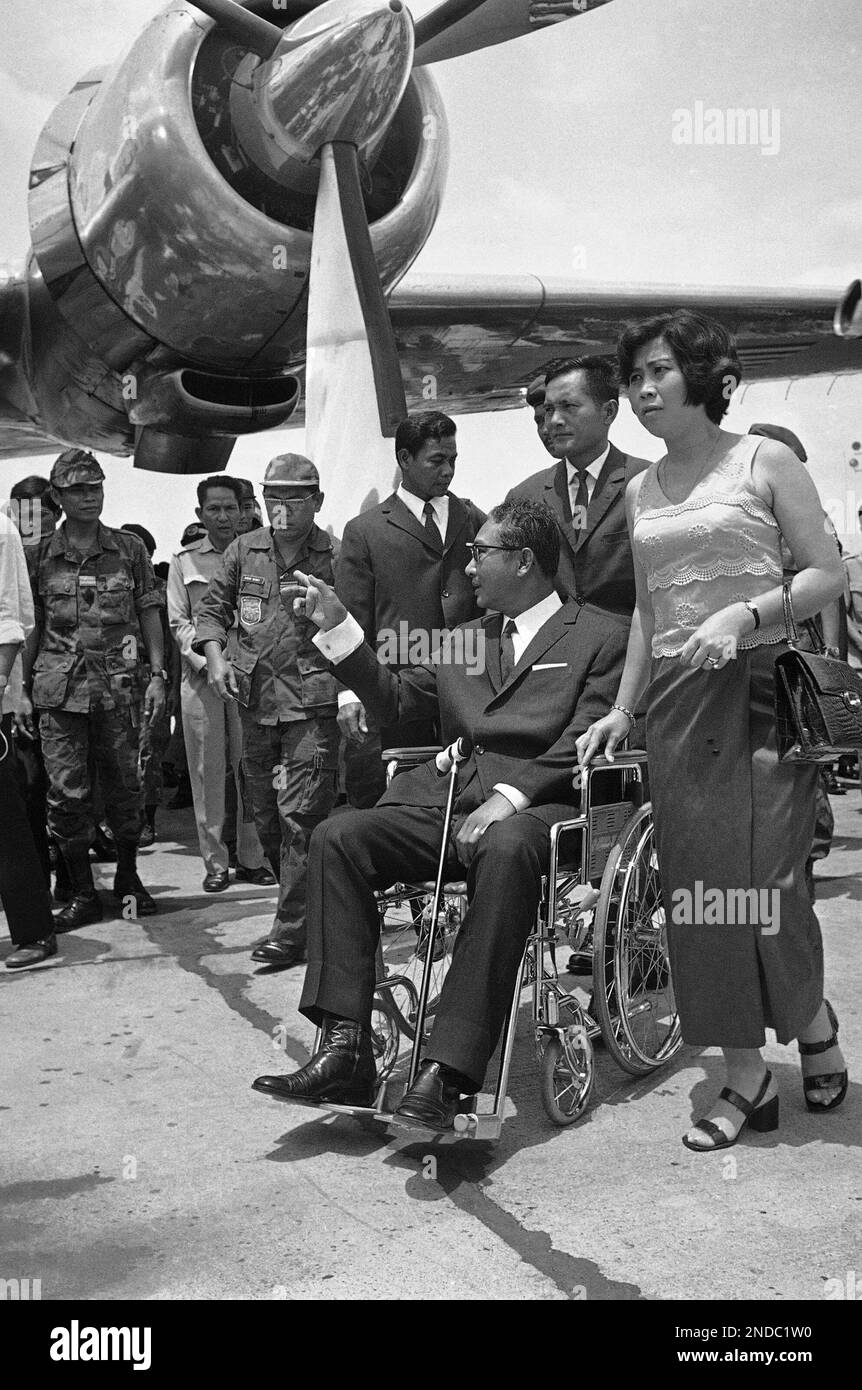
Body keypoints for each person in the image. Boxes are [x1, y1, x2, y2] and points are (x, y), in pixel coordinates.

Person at [252, 499, 628, 1128]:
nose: (469, 566)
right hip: (452, 799)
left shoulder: (601, 635)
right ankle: (346, 1045)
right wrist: (340, 627)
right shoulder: (465, 641)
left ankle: (448, 1070)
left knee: (505, 848)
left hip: (543, 807)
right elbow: (396, 701)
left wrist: (513, 798)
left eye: (481, 553)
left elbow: (585, 737)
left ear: (524, 561)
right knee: (339, 835)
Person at [577, 310, 848, 1152]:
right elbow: (649, 613)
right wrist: (624, 707)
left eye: (659, 371)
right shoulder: (639, 490)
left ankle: (814, 1023)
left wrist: (745, 611)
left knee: (767, 895)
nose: (643, 389)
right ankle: (746, 1072)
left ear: (704, 376)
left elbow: (826, 574)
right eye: (633, 378)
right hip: (680, 708)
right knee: (699, 903)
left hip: (764, 695)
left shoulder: (766, 461)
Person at [193, 454, 340, 970]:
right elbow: (210, 611)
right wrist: (214, 659)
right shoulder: (243, 551)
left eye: (296, 498)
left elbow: (355, 628)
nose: (283, 508)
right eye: (274, 497)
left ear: (317, 502)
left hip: (311, 706)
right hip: (256, 705)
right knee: (266, 818)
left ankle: (291, 931)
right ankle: (308, 912)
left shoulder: (336, 556)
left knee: (300, 817)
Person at [19, 449, 166, 929]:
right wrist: (20, 687)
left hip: (119, 690)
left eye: (95, 487)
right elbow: (32, 625)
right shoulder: (38, 554)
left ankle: (128, 878)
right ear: (58, 497)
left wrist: (159, 674)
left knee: (127, 785)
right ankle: (82, 890)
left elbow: (148, 610)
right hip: (58, 692)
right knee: (66, 793)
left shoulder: (128, 550)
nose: (89, 496)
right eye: (78, 489)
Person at [335, 411, 486, 808]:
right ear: (404, 459)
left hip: (467, 684)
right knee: (402, 796)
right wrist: (349, 691)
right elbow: (350, 619)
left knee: (466, 793)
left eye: (453, 459)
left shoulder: (471, 518)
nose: (448, 470)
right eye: (437, 460)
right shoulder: (365, 530)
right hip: (399, 689)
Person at [166, 476, 272, 891]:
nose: (225, 516)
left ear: (244, 510)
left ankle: (253, 857)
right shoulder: (184, 563)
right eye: (215, 509)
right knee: (207, 772)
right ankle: (215, 863)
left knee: (252, 769)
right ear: (200, 514)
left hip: (250, 677)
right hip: (202, 680)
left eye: (232, 508)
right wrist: (208, 662)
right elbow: (179, 624)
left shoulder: (262, 554)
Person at [507, 356, 650, 616]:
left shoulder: (649, 482)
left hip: (631, 649)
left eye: (569, 407)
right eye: (549, 410)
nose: (554, 422)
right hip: (554, 652)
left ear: (609, 412)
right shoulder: (524, 497)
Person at [0, 509, 57, 968]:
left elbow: (11, 618)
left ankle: (34, 932)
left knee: (6, 822)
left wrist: (2, 684)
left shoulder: (0, 529)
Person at [121, 523, 177, 848]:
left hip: (148, 675)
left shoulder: (158, 591)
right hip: (118, 676)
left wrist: (163, 680)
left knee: (149, 752)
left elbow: (167, 643)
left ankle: (147, 820)